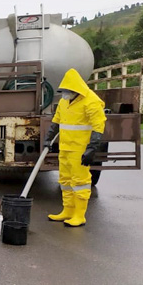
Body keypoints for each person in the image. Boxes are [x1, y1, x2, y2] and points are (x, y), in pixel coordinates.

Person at [43, 68, 106, 227]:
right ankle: (68, 211)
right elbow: (56, 122)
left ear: (76, 90)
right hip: (65, 148)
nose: (64, 94)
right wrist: (48, 140)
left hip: (80, 150)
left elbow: (98, 127)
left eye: (67, 91)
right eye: (63, 91)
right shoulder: (64, 102)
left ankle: (79, 215)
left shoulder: (91, 101)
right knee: (65, 180)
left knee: (80, 182)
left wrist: (92, 148)